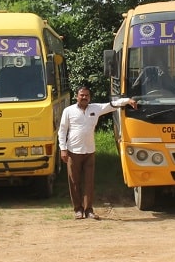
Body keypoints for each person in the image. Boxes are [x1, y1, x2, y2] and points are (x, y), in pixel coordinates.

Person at [58, 85, 137, 219]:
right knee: (74, 181)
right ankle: (78, 209)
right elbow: (62, 130)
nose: (84, 98)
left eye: (86, 95)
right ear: (76, 96)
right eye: (81, 95)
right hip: (73, 151)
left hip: (89, 151)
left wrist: (128, 100)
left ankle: (89, 210)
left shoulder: (95, 108)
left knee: (89, 182)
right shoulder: (68, 111)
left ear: (90, 97)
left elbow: (112, 105)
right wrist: (63, 149)